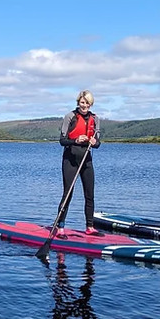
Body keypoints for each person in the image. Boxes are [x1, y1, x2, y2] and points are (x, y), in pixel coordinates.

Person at [57, 90, 101, 236]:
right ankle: (60, 227)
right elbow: (62, 140)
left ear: (91, 104)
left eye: (87, 103)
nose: (85, 106)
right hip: (70, 160)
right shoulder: (70, 117)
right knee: (68, 193)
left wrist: (94, 142)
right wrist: (75, 140)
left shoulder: (95, 119)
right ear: (78, 102)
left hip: (86, 160)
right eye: (82, 102)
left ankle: (89, 226)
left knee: (90, 194)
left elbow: (98, 142)